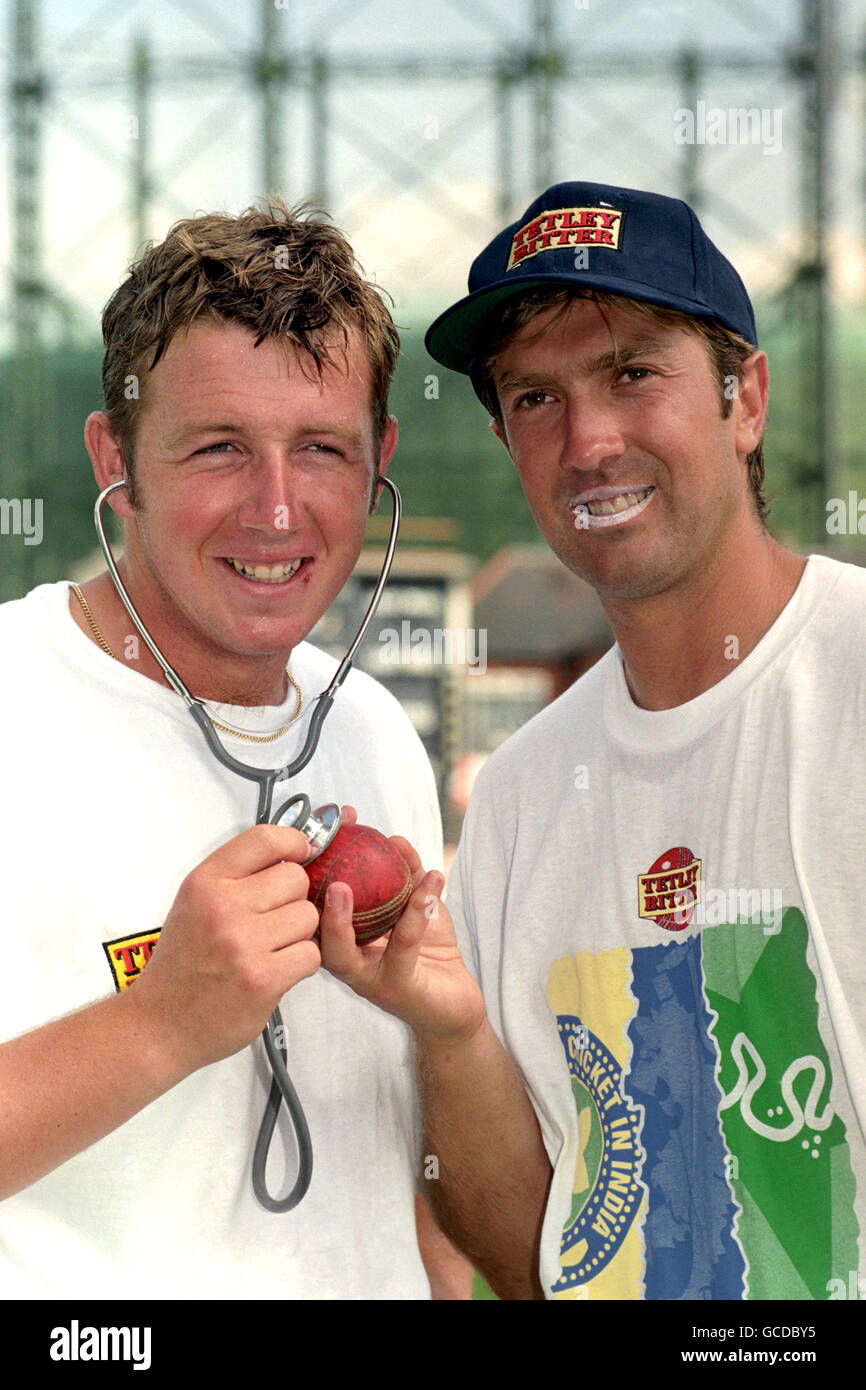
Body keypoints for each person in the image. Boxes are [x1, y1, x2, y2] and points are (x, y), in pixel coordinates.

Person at [327, 181, 866, 1301]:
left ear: (744, 399)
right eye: (533, 396)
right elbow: (529, 1253)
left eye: (631, 372)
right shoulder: (524, 793)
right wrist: (454, 1037)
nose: (587, 441)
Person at [0, 199, 467, 1300]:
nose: (274, 508)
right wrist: (160, 1023)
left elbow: (397, 1171)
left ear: (378, 462)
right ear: (115, 455)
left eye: (320, 450)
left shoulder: (371, 732)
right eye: (217, 448)